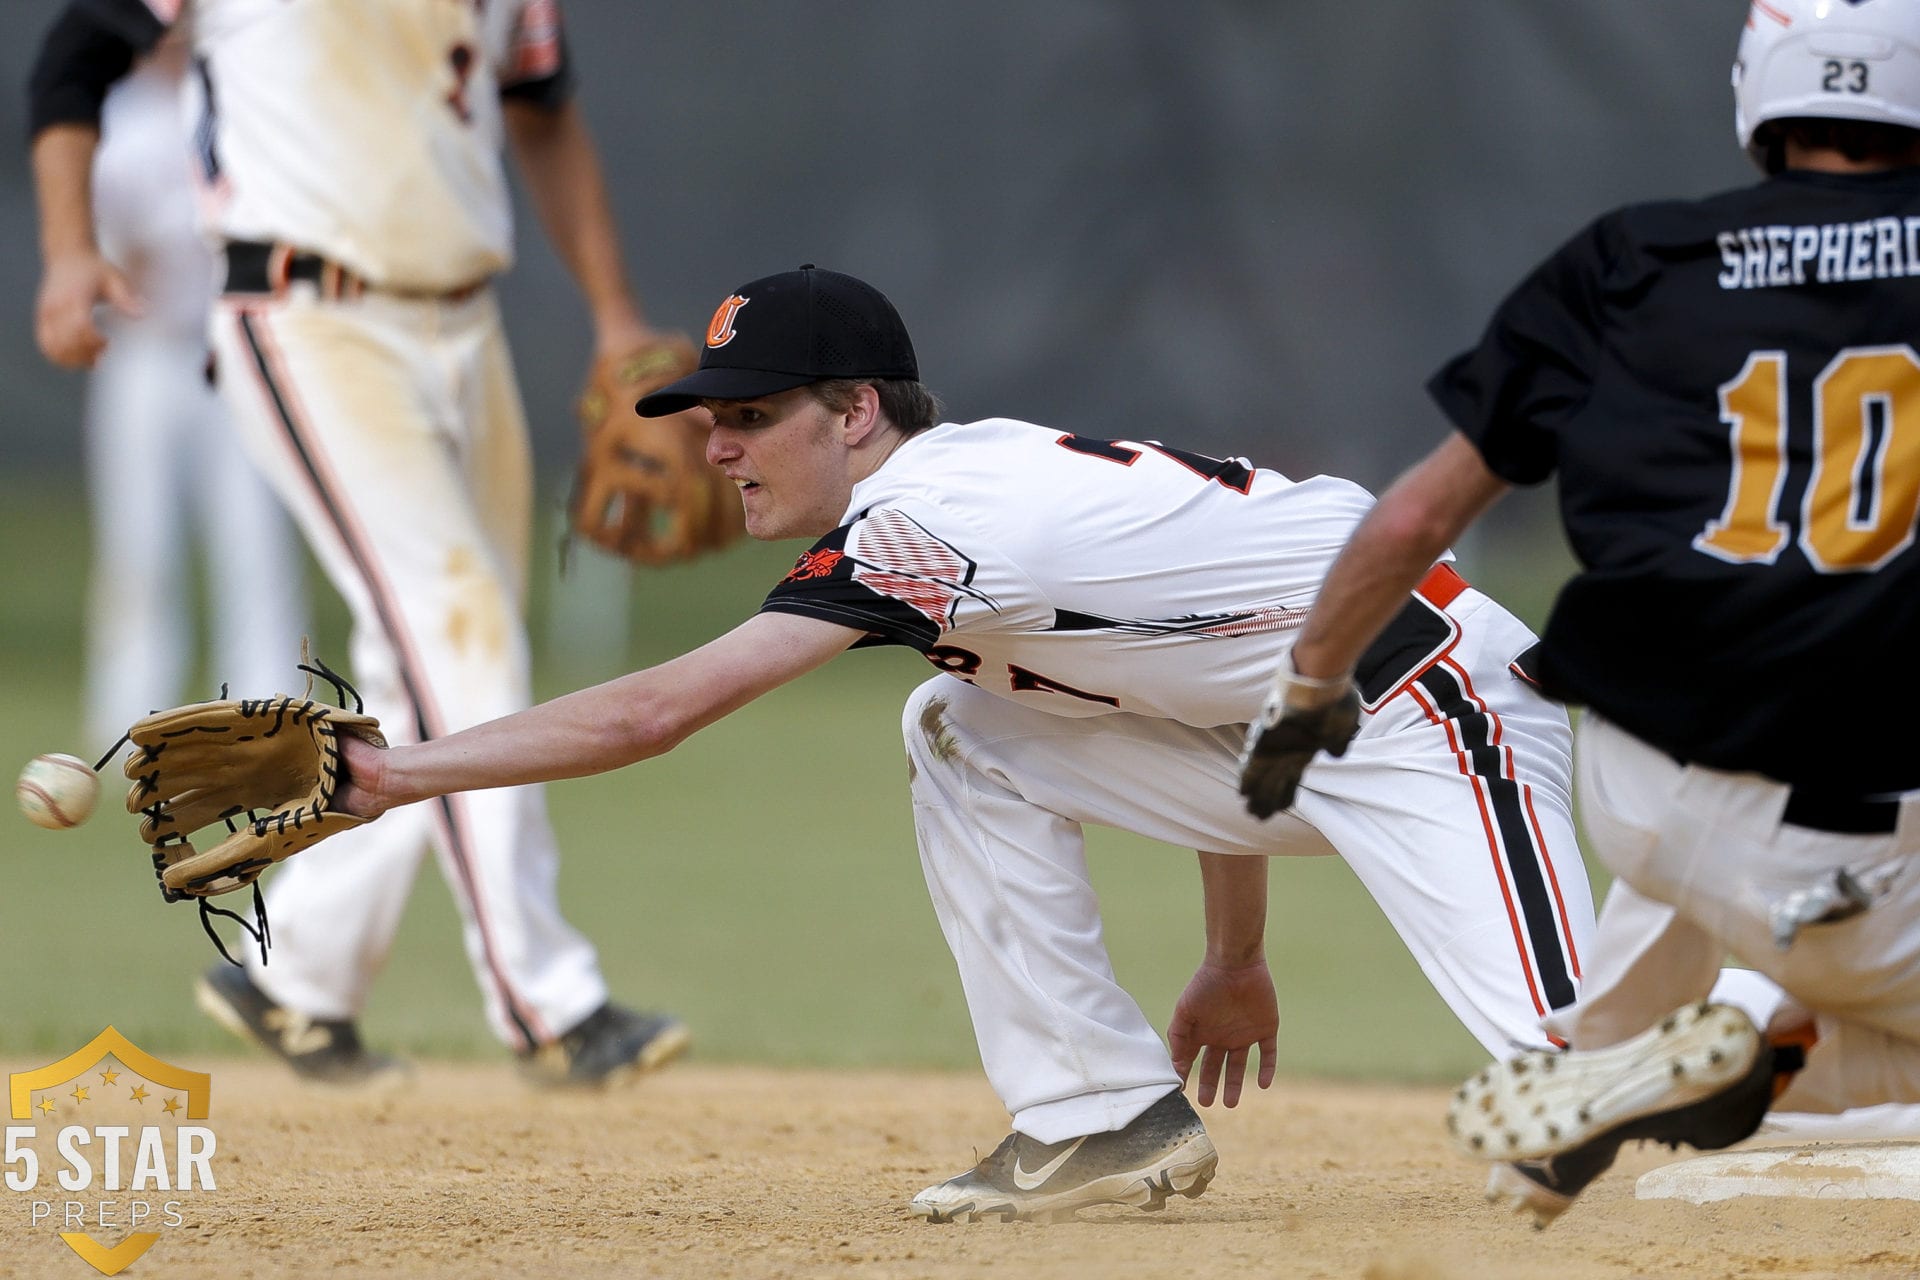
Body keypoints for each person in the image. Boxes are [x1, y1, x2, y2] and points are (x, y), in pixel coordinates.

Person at [299, 262, 1597, 1220]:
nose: (716, 442)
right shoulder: (958, 513)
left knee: (1595, 1082)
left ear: (855, 411)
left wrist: (395, 774)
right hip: (1292, 726)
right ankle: (1096, 1113)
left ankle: (1790, 981)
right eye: (712, 416)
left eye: (750, 413)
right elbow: (1195, 683)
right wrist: (1232, 955)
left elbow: (658, 711)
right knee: (960, 722)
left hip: (1441, 703)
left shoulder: (932, 523)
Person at [1237, 0, 1920, 1227]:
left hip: (1646, 773)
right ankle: (1760, 1042)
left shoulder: (1632, 260)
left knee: (1730, 698)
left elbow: (1410, 520)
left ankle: (1595, 1066)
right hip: (1854, 824)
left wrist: (1308, 683)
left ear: (1758, 90)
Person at [28, 0, 690, 1088]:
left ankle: (297, 976)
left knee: (427, 677)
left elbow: (541, 109)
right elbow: (73, 59)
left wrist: (614, 314)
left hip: (465, 326)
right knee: (460, 638)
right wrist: (66, 251)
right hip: (307, 316)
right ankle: (551, 1003)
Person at [73, 34, 307, 748]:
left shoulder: (247, 99)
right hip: (144, 353)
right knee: (138, 545)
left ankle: (268, 717)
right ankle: (129, 720)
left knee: (256, 541)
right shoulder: (118, 115)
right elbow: (112, 252)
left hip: (235, 350)